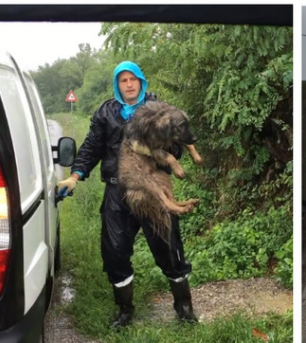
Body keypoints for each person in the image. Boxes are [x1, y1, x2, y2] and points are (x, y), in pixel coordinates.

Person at [57, 62, 199, 328]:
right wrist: (75, 176)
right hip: (117, 191)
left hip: (152, 189)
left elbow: (178, 149)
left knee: (169, 249)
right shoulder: (106, 113)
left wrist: (157, 150)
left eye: (133, 79)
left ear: (142, 82)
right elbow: (92, 147)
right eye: (123, 80)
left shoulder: (160, 111)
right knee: (114, 252)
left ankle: (184, 309)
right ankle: (124, 312)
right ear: (117, 85)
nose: (129, 84)